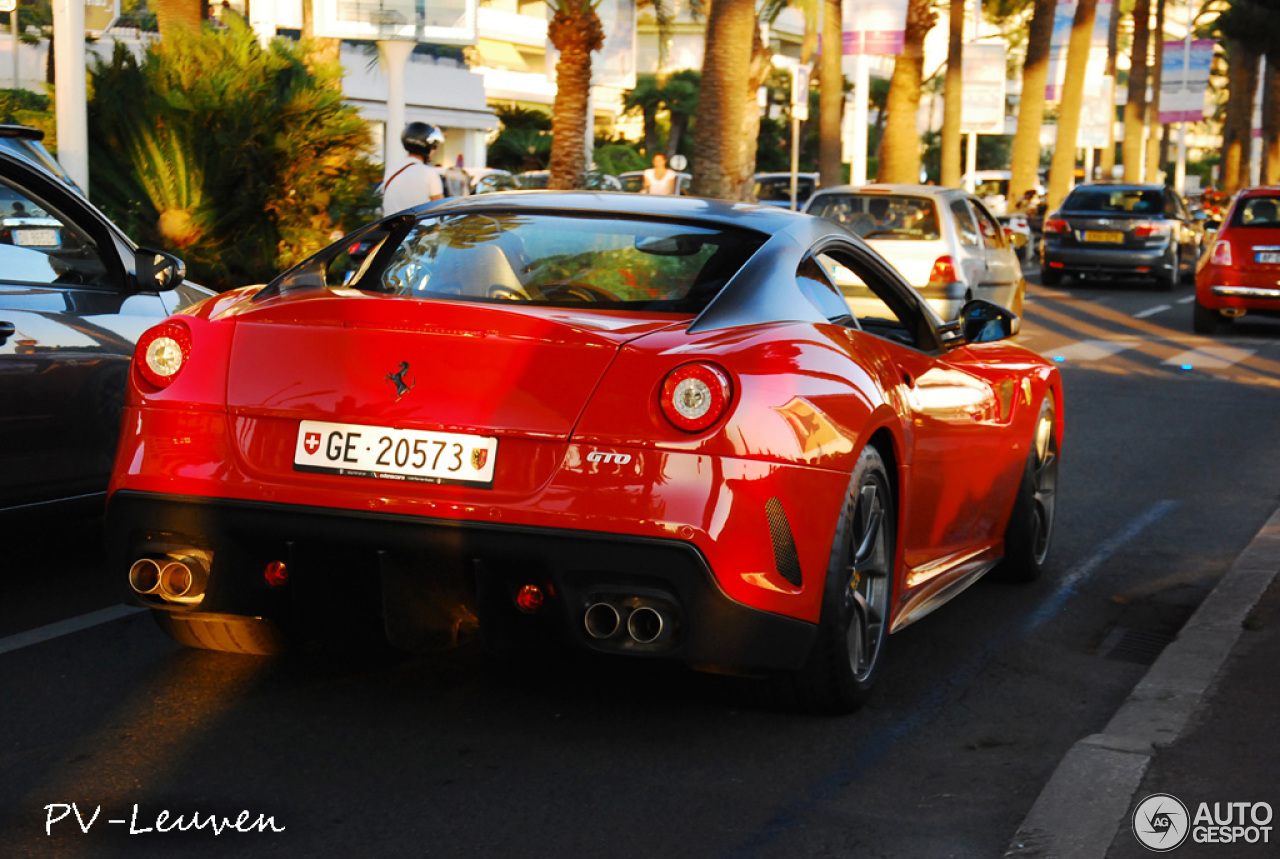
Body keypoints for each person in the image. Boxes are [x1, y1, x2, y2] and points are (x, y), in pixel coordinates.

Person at [382, 122, 445, 215]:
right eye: (434, 147)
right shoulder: (429, 173)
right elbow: (441, 209)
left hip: (391, 227)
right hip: (417, 228)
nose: (434, 151)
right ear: (427, 147)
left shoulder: (391, 170)